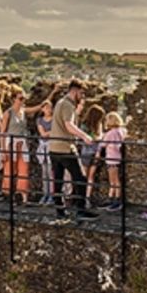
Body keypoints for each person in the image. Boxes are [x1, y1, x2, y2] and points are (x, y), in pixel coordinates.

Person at [49, 79, 98, 220]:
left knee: (58, 181)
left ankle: (60, 211)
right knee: (81, 178)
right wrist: (85, 136)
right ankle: (80, 210)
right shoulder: (67, 105)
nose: (82, 96)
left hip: (54, 148)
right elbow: (68, 125)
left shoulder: (60, 102)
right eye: (81, 93)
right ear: (75, 91)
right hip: (66, 148)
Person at [0, 87, 32, 203]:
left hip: (22, 144)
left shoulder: (23, 111)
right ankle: (7, 194)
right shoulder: (8, 113)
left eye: (24, 98)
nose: (23, 101)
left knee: (24, 169)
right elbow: (2, 132)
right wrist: (3, 150)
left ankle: (22, 195)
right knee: (9, 170)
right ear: (14, 99)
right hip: (10, 144)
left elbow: (38, 108)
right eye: (21, 98)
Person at [79, 104, 106, 210]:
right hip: (94, 152)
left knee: (86, 177)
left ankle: (84, 198)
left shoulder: (84, 125)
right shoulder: (95, 126)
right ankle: (86, 198)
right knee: (89, 177)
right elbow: (97, 138)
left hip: (87, 152)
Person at [98, 112, 126, 211]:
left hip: (111, 158)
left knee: (114, 180)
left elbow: (103, 144)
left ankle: (117, 200)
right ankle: (111, 198)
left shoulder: (110, 133)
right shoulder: (121, 131)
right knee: (114, 180)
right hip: (117, 158)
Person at [35, 99, 56, 205]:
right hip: (43, 147)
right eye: (46, 107)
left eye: (50, 107)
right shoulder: (39, 120)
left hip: (51, 146)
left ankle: (52, 195)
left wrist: (50, 133)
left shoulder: (55, 119)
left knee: (51, 172)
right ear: (42, 109)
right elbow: (42, 134)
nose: (48, 110)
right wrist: (51, 132)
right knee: (45, 173)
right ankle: (45, 194)